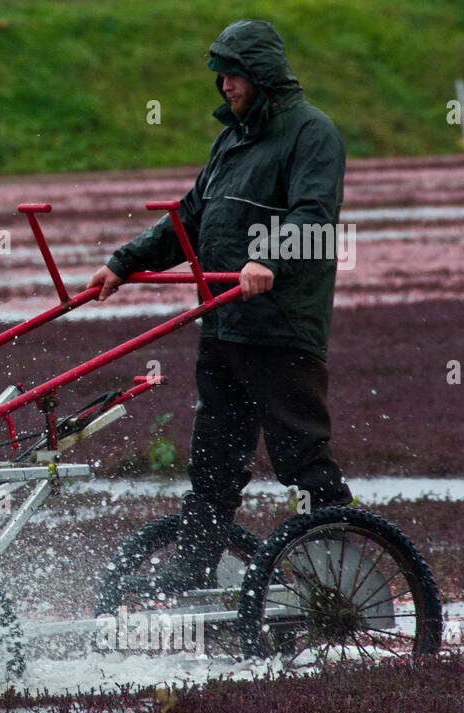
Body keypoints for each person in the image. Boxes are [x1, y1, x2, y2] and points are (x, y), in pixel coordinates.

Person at [89, 19, 353, 601]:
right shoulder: (232, 138)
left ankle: (345, 578)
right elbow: (189, 216)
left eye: (232, 75)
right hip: (225, 321)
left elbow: (314, 219)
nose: (224, 85)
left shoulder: (313, 134)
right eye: (221, 76)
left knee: (301, 461)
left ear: (260, 75)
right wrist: (124, 264)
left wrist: (268, 258)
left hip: (281, 330)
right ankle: (194, 566)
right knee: (214, 460)